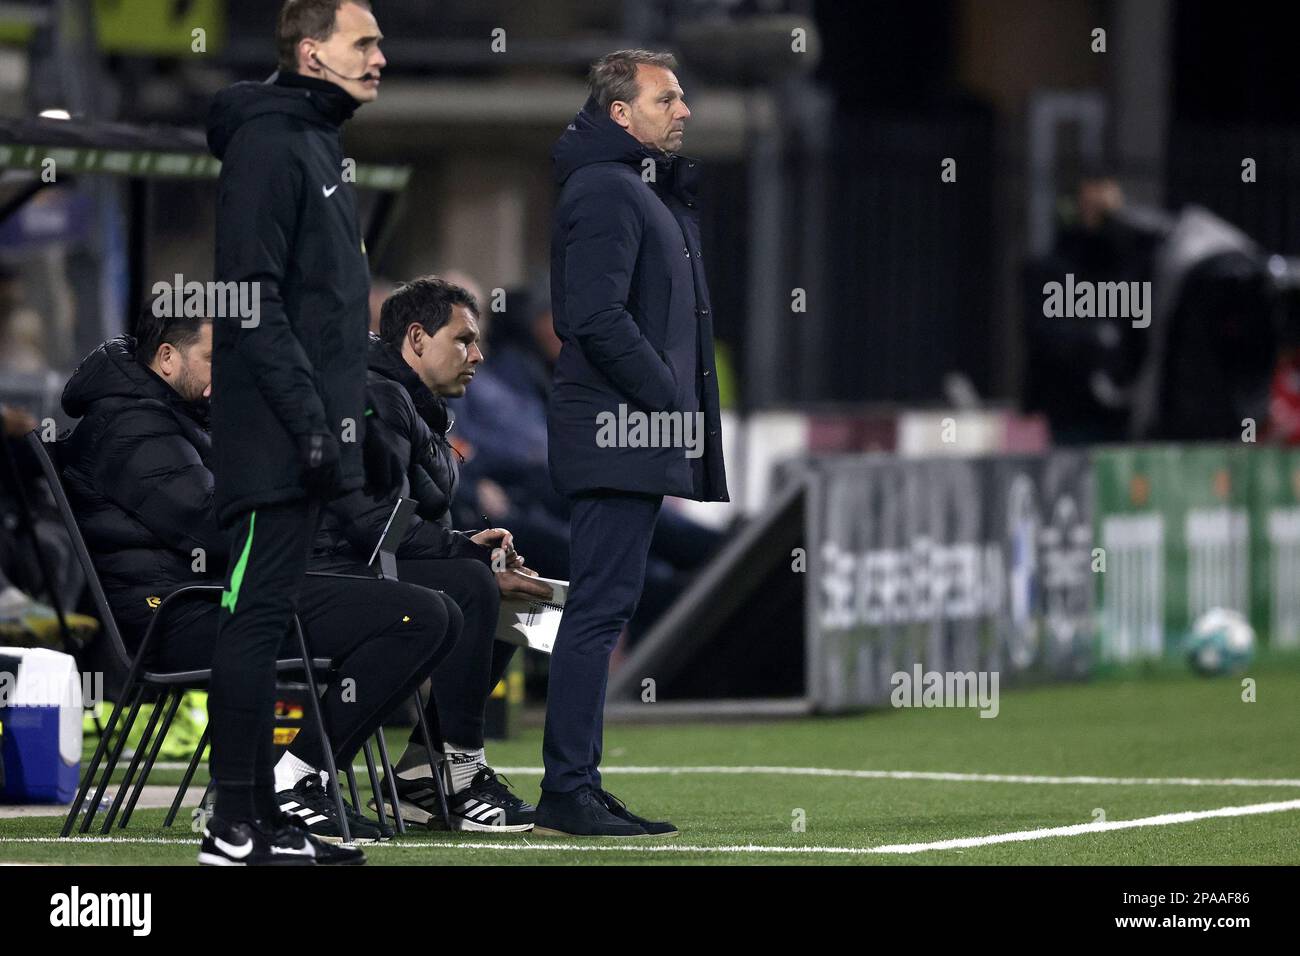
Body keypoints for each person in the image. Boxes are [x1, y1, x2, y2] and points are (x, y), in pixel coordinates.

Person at [60, 309, 462, 857]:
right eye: (213, 360)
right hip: (175, 614)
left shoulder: (172, 412)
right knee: (421, 616)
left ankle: (291, 779)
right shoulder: (130, 424)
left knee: (438, 611)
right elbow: (211, 526)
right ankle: (290, 779)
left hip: (221, 596)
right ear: (167, 357)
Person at [198, 0, 386, 864]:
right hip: (272, 437)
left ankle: (258, 820)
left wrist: (352, 425)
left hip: (308, 431)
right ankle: (231, 826)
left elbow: (323, 312)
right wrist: (313, 424)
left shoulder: (317, 141)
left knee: (268, 622)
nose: (381, 57)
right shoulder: (270, 143)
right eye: (365, 42)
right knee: (253, 617)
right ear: (313, 54)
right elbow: (250, 300)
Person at [538, 50, 728, 837]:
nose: (683, 110)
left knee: (604, 607)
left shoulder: (633, 188)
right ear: (623, 113)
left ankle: (580, 784)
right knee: (596, 612)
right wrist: (664, 393)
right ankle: (567, 792)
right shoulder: (607, 189)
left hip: (631, 430)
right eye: (667, 98)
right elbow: (592, 316)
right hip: (616, 429)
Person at [313, 276, 553, 831]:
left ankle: (423, 775)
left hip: (368, 564)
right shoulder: (376, 394)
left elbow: (404, 522)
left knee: (525, 600)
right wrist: (464, 553)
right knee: (473, 585)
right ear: (417, 339)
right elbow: (376, 525)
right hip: (330, 572)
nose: (478, 354)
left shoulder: (416, 402)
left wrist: (470, 546)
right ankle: (462, 771)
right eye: (464, 340)